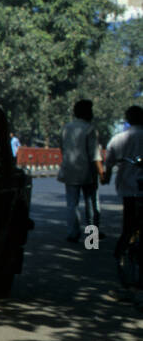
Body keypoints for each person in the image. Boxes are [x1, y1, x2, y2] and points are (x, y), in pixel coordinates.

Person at [102, 105, 143, 268]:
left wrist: (106, 177)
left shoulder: (118, 139)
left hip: (127, 187)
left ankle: (123, 246)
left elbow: (109, 163)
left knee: (129, 219)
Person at [60, 100, 102, 242]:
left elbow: (62, 149)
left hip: (69, 170)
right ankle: (92, 238)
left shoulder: (66, 128)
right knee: (91, 205)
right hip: (87, 173)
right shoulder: (90, 129)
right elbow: (94, 155)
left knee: (72, 204)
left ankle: (73, 233)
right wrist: (101, 173)